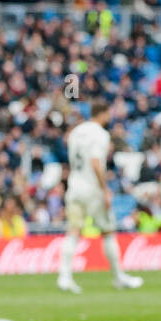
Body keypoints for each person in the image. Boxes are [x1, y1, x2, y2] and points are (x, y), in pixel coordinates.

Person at [57, 99, 144, 294]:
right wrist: (105, 189)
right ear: (103, 112)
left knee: (73, 231)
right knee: (108, 231)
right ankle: (118, 276)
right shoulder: (101, 135)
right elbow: (96, 162)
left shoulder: (75, 132)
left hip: (74, 185)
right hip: (92, 188)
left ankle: (64, 277)